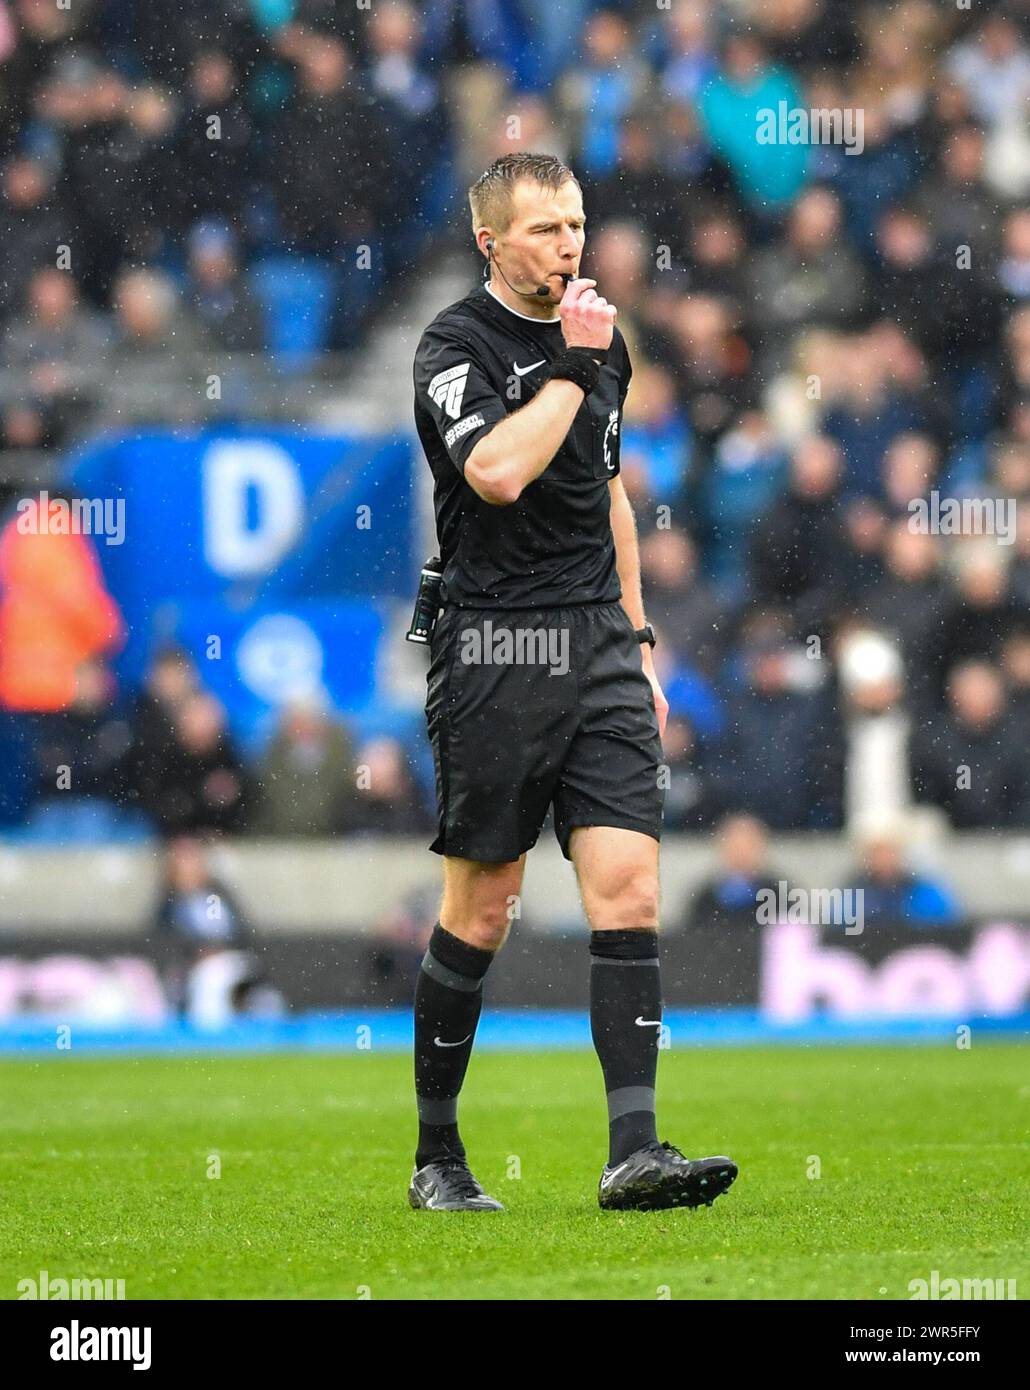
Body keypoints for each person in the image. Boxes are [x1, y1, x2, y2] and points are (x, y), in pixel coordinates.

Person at [409, 151, 737, 1213]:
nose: (569, 245)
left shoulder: (602, 340)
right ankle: (438, 1156)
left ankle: (632, 1149)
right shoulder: (452, 346)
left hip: (596, 642)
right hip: (495, 649)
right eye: (545, 229)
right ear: (490, 242)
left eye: (578, 224)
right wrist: (573, 366)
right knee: (485, 906)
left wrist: (638, 641)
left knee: (630, 888)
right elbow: (497, 474)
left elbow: (605, 493)